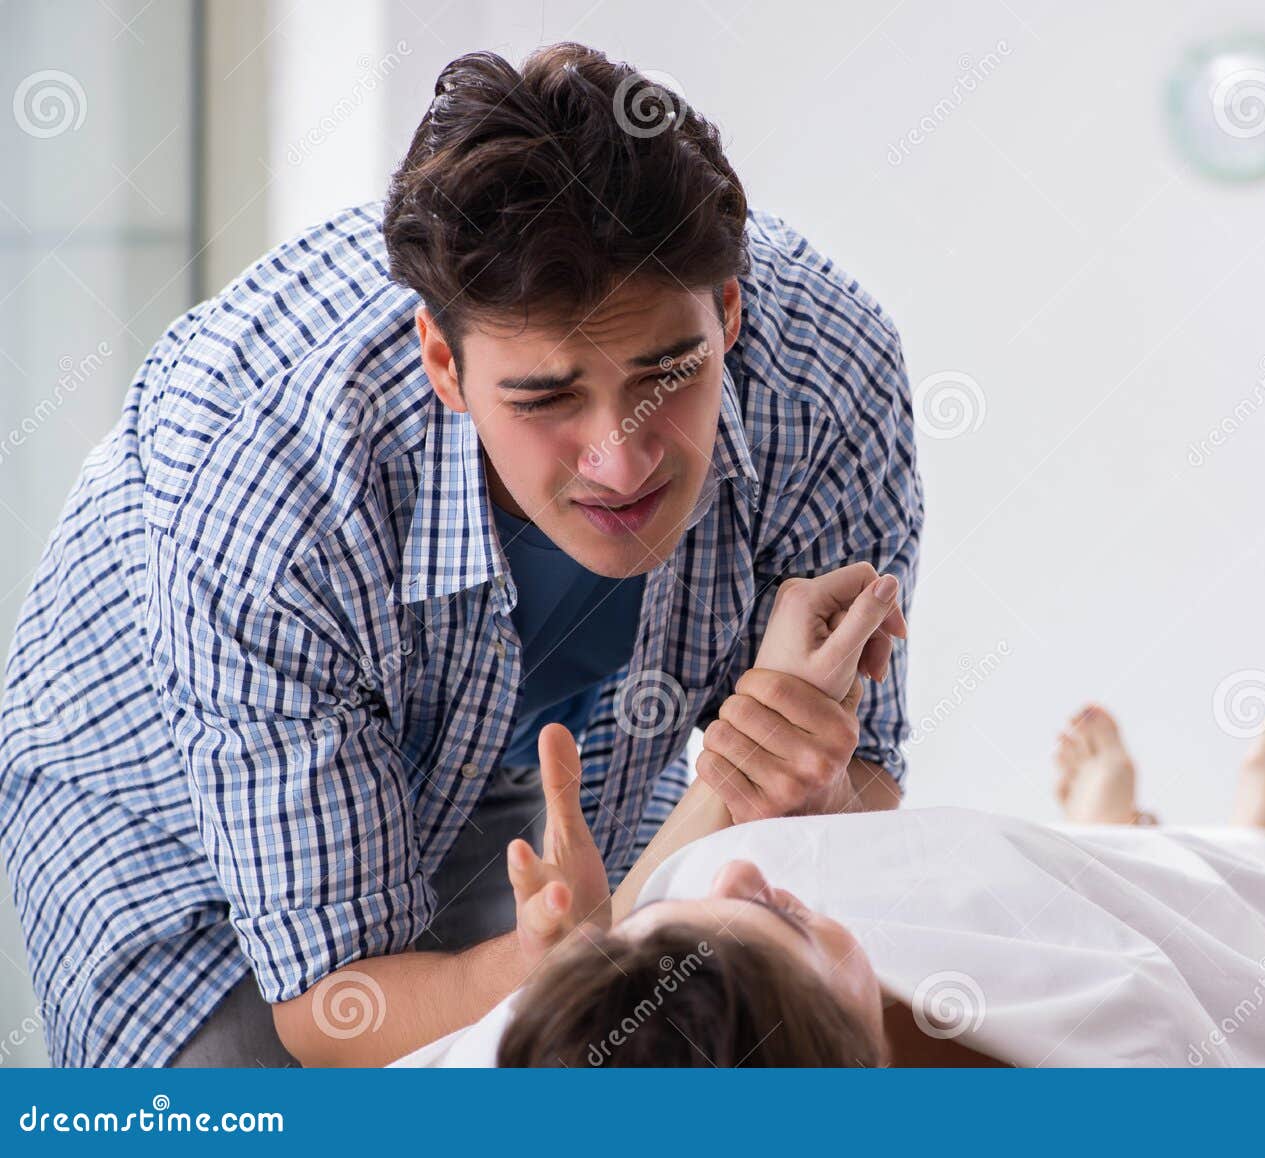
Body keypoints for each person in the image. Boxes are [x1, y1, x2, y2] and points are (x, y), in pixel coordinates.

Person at [0, 43, 921, 1068]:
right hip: (177, 828)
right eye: (547, 398)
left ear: (732, 313)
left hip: (571, 773)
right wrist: (551, 959)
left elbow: (861, 794)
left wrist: (805, 773)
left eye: (668, 373)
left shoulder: (829, 377)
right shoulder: (268, 482)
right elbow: (334, 1010)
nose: (620, 462)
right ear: (444, 361)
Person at [400, 689, 1265, 1067]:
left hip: (930, 887)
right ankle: (1250, 837)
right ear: (863, 1017)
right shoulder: (1113, 1044)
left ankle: (1125, 831)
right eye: (784, 918)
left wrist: (560, 960)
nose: (752, 864)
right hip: (1047, 912)